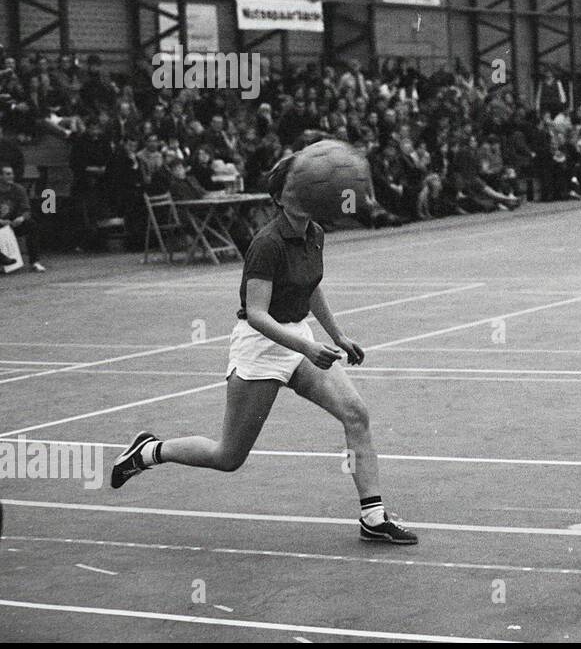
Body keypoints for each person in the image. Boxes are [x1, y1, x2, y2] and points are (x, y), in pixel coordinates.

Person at [110, 154, 418, 545]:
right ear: (279, 197)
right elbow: (256, 314)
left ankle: (373, 517)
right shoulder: (266, 243)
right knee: (228, 457)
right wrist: (307, 347)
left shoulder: (314, 233)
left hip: (297, 337)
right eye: (295, 185)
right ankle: (149, 451)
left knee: (356, 413)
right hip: (261, 347)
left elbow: (311, 285)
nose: (306, 189)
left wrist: (337, 335)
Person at [0, 162, 43, 272]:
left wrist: (21, 218)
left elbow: (27, 209)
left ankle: (35, 262)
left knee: (31, 225)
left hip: (13, 223)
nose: (12, 176)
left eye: (12, 174)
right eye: (8, 174)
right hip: (1, 223)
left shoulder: (18, 189)